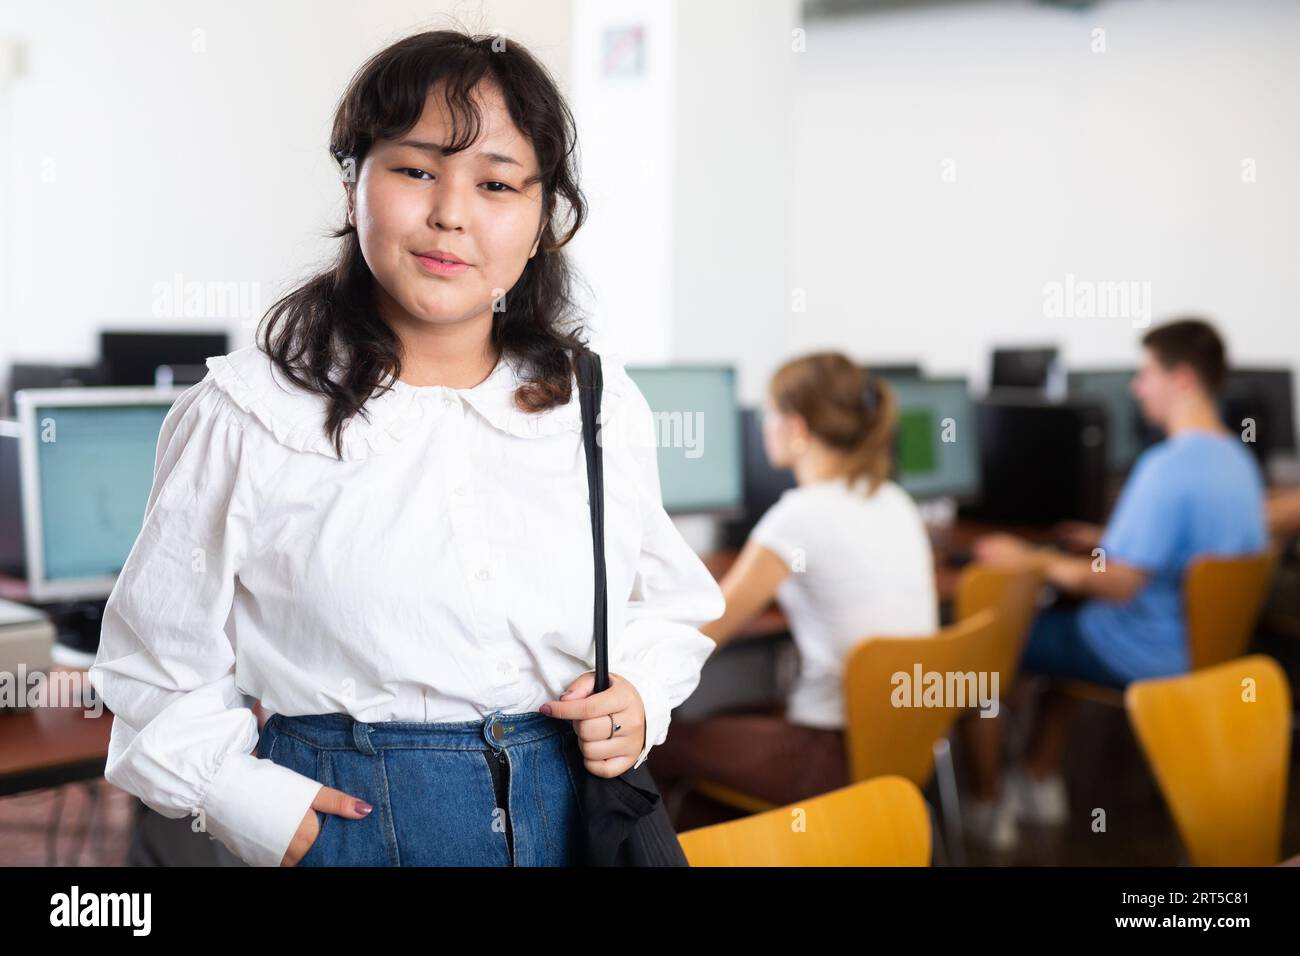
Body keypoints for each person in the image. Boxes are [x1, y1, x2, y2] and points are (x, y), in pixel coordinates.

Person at [87, 30, 724, 868]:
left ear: (541, 222)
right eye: (416, 170)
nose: (450, 213)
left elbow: (668, 602)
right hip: (351, 818)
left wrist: (640, 690)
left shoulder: (592, 400)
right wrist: (252, 803)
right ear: (354, 180)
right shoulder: (246, 412)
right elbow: (150, 665)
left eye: (496, 183)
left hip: (570, 817)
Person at [968, 318, 1268, 849]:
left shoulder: (1164, 467)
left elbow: (1119, 582)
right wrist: (1110, 537)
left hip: (1143, 652)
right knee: (1064, 630)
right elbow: (1176, 552)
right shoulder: (1238, 461)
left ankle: (988, 807)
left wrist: (1035, 560)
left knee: (991, 640)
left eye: (1145, 373)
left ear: (1182, 380)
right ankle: (1039, 778)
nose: (1136, 387)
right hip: (1205, 651)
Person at [646, 352, 938, 827]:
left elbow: (707, 630)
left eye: (768, 415)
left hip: (831, 757)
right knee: (730, 721)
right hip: (898, 746)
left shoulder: (800, 516)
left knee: (654, 742)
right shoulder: (895, 500)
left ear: (797, 429)